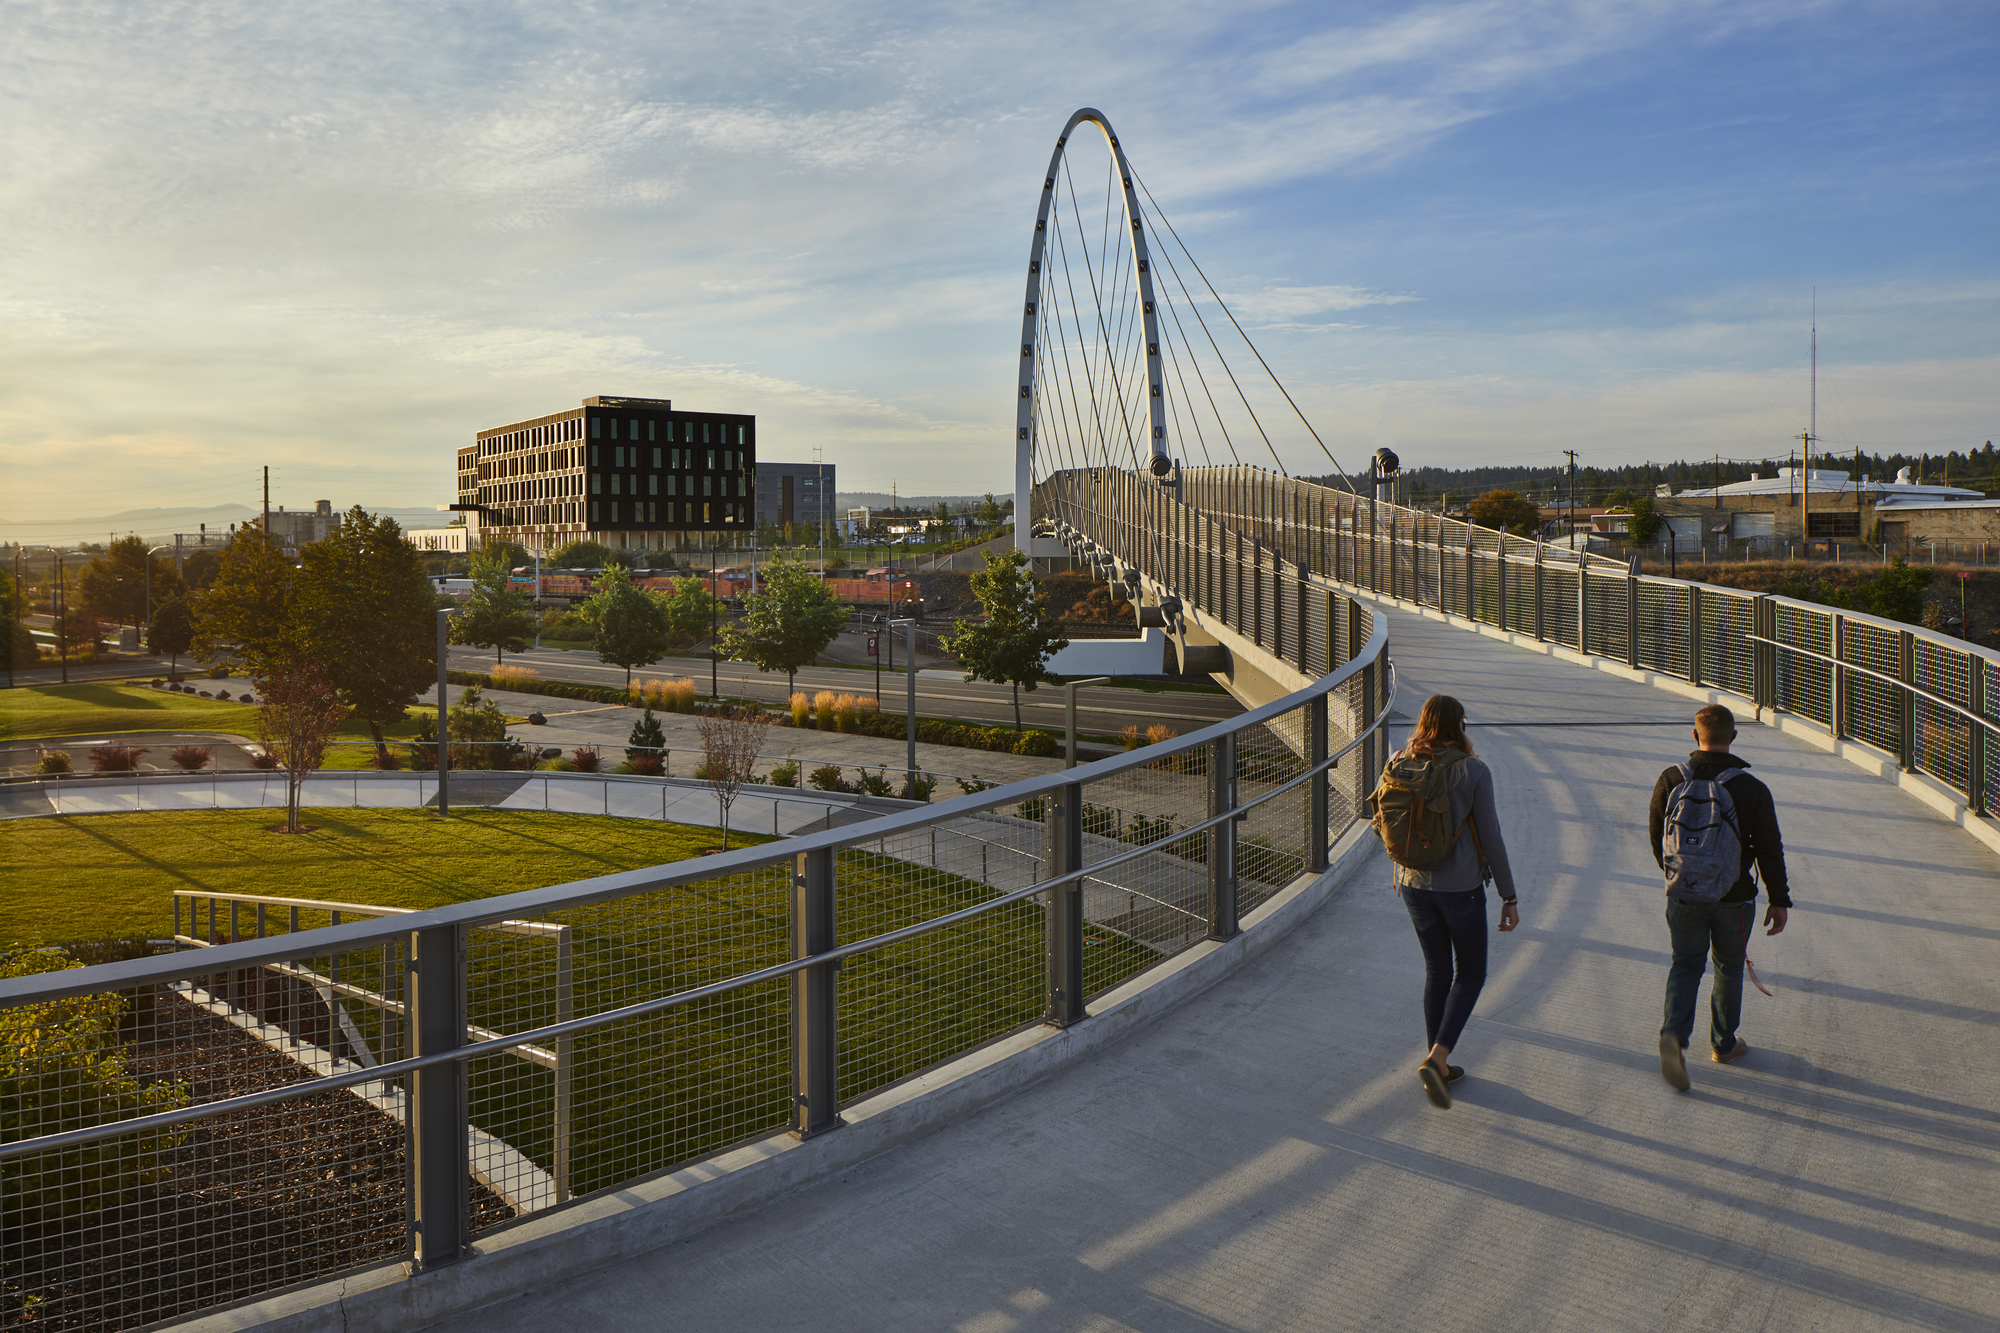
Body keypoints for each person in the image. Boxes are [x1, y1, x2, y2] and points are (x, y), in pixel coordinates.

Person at [1649, 703, 1791, 1090]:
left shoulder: (1670, 779)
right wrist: (1779, 899)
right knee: (1728, 967)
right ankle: (1724, 1045)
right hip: (1734, 898)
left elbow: (1658, 838)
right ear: (1734, 737)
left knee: (1685, 964)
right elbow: (1769, 848)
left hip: (1683, 895)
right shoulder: (1751, 788)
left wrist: (1680, 877)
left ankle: (1673, 1035)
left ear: (1695, 735)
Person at [1393, 694, 1517, 1110]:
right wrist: (1508, 895)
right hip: (1459, 886)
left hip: (1412, 883)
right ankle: (1438, 1057)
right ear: (1458, 725)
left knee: (1437, 971)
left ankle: (1438, 1063)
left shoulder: (1400, 762)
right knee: (1472, 973)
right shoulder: (1472, 770)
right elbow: (1491, 837)